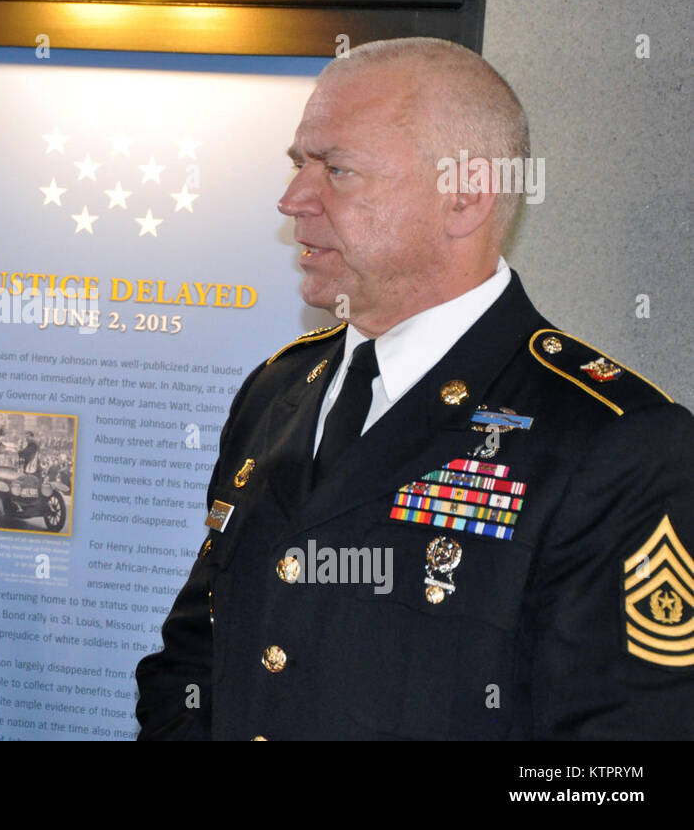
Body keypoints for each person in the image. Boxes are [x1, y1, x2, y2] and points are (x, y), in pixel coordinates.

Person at [135, 37, 694, 740]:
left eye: (337, 170)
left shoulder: (615, 442)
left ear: (464, 196)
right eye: (297, 163)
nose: (293, 199)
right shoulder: (277, 392)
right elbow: (193, 661)